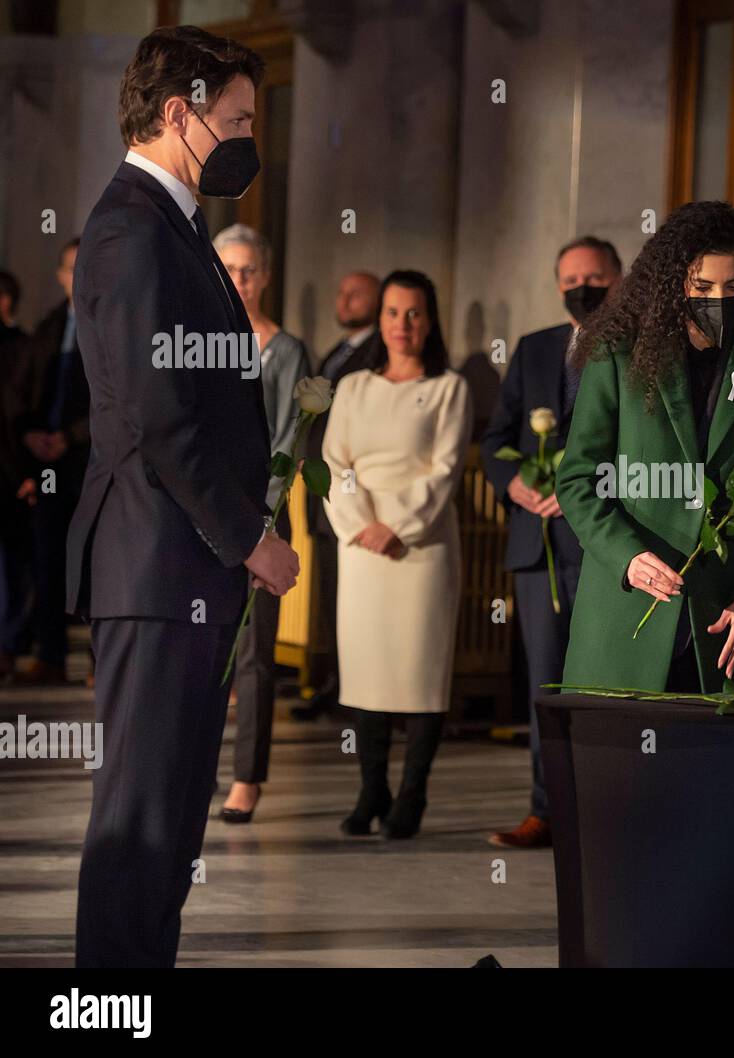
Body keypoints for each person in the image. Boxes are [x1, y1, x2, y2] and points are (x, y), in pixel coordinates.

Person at [68, 27, 298, 968]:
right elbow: (162, 421)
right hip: (159, 567)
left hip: (182, 573)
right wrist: (252, 538)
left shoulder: (175, 223)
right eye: (236, 118)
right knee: (141, 829)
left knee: (170, 835)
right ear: (180, 113)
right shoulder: (130, 228)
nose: (247, 137)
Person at [555, 200, 734, 695]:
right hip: (625, 617)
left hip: (721, 624)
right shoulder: (619, 354)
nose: (719, 298)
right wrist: (627, 557)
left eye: (733, 287)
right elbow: (578, 481)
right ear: (676, 284)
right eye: (703, 287)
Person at [481, 235, 622, 850]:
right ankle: (546, 810)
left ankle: (604, 810)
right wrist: (516, 485)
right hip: (536, 545)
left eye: (594, 276)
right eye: (570, 278)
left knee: (604, 682)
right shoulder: (535, 349)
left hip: (605, 545)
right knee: (546, 681)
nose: (581, 287)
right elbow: (495, 439)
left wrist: (585, 490)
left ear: (618, 279)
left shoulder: (638, 348)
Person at [323, 270, 471, 839]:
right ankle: (370, 790)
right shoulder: (354, 387)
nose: (401, 325)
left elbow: (445, 470)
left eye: (413, 313)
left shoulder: (447, 388)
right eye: (391, 312)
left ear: (429, 320)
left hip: (422, 547)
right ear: (379, 319)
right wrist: (363, 524)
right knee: (365, 671)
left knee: (420, 671)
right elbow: (335, 465)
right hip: (362, 548)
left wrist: (398, 526)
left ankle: (412, 795)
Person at [213, 223, 309, 823]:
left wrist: (257, 525)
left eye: (250, 269)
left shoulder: (287, 349)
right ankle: (192, 766)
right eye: (230, 268)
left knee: (254, 656)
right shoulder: (196, 338)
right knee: (201, 647)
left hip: (261, 522)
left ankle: (247, 777)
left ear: (267, 276)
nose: (240, 280)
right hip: (204, 517)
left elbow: (289, 442)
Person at [291, 271, 381, 722]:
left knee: (355, 600)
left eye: (355, 293)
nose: (343, 299)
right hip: (320, 494)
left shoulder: (375, 352)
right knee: (329, 596)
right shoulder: (335, 351)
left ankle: (354, 689)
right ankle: (330, 682)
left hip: (354, 494)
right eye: (341, 292)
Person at [14, 239, 90, 687]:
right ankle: (51, 657)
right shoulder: (47, 328)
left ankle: (102, 663)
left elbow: (117, 401)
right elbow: (20, 396)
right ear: (61, 276)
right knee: (46, 558)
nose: (77, 277)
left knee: (96, 563)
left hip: (90, 461)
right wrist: (30, 436)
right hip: (45, 465)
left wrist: (69, 437)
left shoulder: (110, 324)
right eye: (70, 269)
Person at [0, 269, 31, 680]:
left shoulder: (23, 346)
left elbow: (20, 414)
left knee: (9, 563)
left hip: (10, 468)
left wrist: (27, 472)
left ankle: (7, 645)